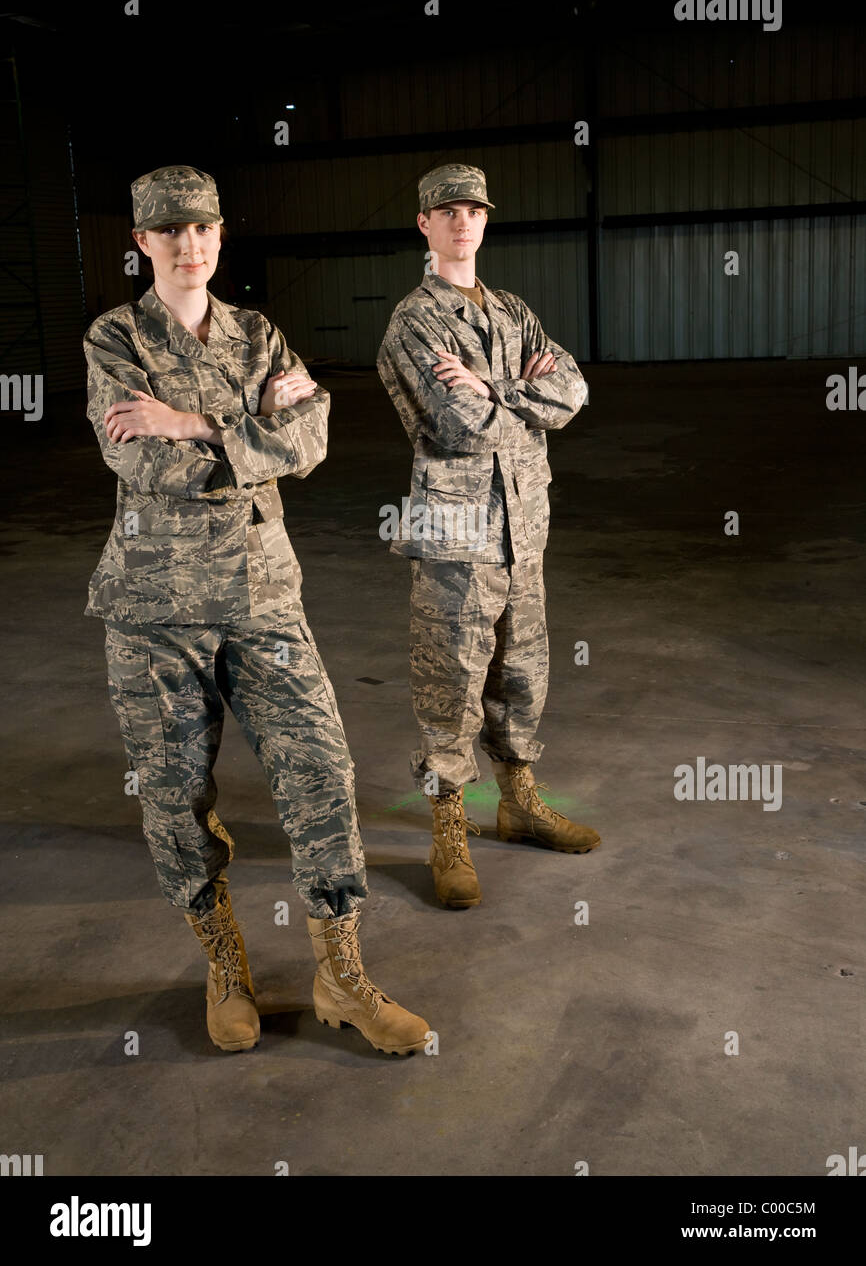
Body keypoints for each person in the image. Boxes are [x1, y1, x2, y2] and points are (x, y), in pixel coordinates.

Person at [84, 164, 429, 1054]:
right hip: (155, 610)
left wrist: (191, 421)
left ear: (221, 235)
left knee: (322, 771)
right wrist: (251, 422)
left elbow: (313, 439)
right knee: (174, 797)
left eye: (203, 230)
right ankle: (224, 964)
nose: (189, 246)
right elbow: (139, 464)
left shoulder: (257, 331)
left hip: (265, 597)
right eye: (170, 233)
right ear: (143, 243)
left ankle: (341, 974)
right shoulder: (114, 337)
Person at [377, 163, 601, 910]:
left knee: (523, 679)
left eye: (474, 208)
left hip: (523, 532)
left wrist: (495, 386)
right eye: (447, 210)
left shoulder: (511, 311)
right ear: (425, 224)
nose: (463, 220)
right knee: (452, 688)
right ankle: (449, 827)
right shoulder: (415, 322)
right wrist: (521, 401)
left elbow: (573, 390)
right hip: (456, 534)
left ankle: (518, 803)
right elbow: (455, 425)